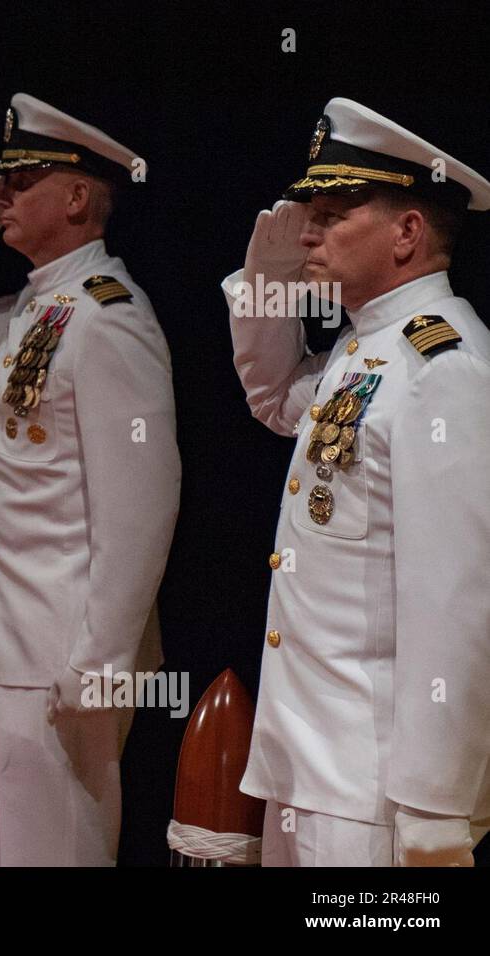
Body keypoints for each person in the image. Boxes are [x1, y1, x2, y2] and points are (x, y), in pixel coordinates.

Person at [224, 97, 490, 867]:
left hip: (378, 790)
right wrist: (265, 286)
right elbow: (274, 400)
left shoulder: (443, 369)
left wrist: (436, 804)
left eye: (335, 212)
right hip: (314, 766)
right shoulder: (364, 348)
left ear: (407, 233)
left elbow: (456, 601)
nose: (309, 229)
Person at [0, 93, 180, 866]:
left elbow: (140, 507)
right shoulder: (45, 307)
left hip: (66, 652)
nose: (4, 195)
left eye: (22, 180)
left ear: (76, 197)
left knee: (56, 852)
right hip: (7, 642)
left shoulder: (109, 316)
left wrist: (100, 659)